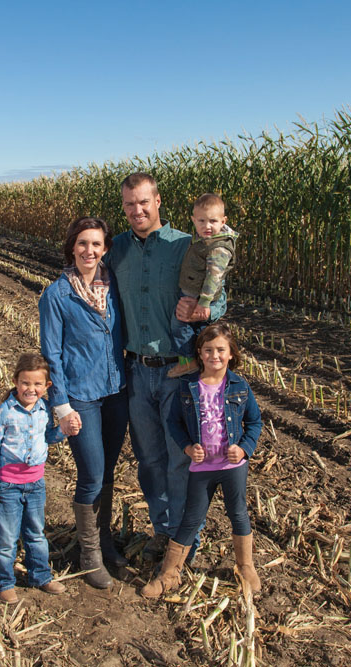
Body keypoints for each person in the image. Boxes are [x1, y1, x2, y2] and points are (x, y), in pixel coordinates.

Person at [105, 172, 226, 563]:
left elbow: (219, 297)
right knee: (150, 459)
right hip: (137, 371)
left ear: (158, 202)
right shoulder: (117, 249)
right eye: (128, 204)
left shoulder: (185, 246)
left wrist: (202, 308)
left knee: (182, 458)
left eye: (143, 201)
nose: (136, 210)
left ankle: (185, 539)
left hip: (180, 370)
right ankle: (162, 530)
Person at [141, 323, 263, 598]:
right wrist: (186, 448)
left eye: (221, 350)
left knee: (238, 514)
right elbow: (173, 422)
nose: (215, 356)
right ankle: (169, 575)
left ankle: (246, 567)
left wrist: (244, 449)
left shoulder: (239, 386)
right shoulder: (188, 387)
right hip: (202, 468)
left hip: (232, 467)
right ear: (199, 353)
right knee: (190, 519)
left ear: (231, 353)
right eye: (208, 350)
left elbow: (254, 421)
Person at [39, 217, 129, 589]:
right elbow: (51, 355)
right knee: (91, 473)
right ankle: (89, 554)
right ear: (71, 248)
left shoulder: (115, 287)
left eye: (96, 244)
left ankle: (104, 540)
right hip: (80, 397)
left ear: (105, 249)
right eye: (82, 244)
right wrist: (61, 406)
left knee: (107, 470)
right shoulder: (57, 295)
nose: (89, 251)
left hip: (116, 392)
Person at [0, 353, 69, 603]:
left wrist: (63, 431)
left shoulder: (44, 409)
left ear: (46, 387)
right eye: (25, 383)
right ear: (15, 382)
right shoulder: (6, 412)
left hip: (35, 484)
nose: (31, 389)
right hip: (8, 485)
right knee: (8, 538)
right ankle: (4, 582)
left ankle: (40, 576)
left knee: (35, 532)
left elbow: (48, 438)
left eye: (37, 384)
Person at [168, 193, 238, 378]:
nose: (207, 226)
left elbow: (215, 278)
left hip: (198, 296)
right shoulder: (201, 240)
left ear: (223, 220)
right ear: (193, 220)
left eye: (213, 221)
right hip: (193, 292)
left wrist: (205, 303)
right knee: (196, 328)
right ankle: (196, 359)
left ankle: (189, 359)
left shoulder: (218, 247)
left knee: (179, 324)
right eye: (201, 221)